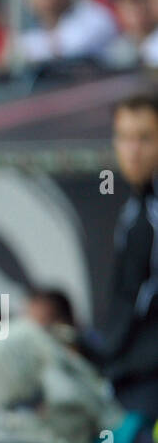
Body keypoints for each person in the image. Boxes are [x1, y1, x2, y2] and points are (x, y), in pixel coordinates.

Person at [86, 93, 158, 426]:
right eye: (125, 138)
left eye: (145, 138)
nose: (133, 151)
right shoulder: (134, 211)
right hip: (131, 374)